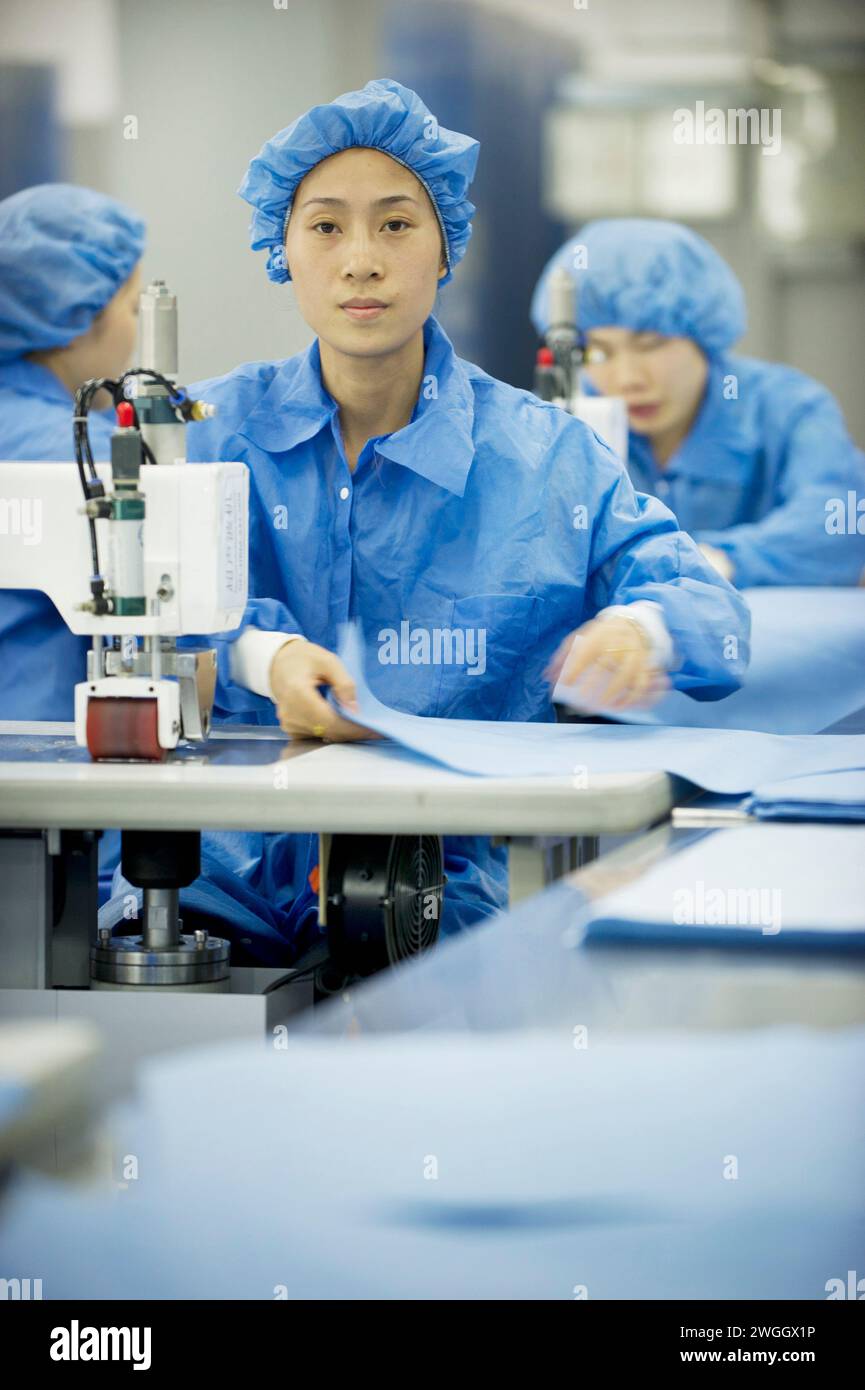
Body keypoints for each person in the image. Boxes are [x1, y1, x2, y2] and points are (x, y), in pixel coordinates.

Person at [102, 79, 750, 965]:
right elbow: (140, 602)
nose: (360, 260)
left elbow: (699, 597)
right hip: (216, 878)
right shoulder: (205, 438)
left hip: (452, 893)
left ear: (445, 249)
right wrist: (263, 654)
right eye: (325, 226)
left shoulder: (544, 455)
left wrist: (643, 628)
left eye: (396, 224)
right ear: (281, 251)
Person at [531, 218, 865, 588]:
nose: (627, 378)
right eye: (598, 352)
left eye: (651, 344)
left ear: (704, 335)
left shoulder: (788, 408)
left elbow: (840, 520)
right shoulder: (567, 422)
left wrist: (720, 560)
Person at [0, 182, 145, 902]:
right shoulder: (68, 459)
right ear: (75, 317)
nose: (137, 327)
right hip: (42, 814)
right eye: (131, 304)